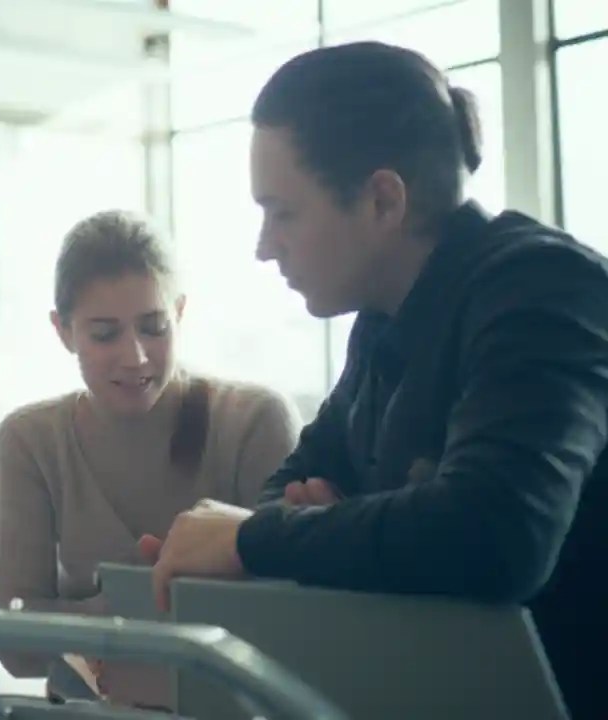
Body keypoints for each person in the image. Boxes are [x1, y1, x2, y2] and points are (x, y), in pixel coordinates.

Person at [143, 41, 607, 719]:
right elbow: (290, 485)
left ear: (383, 199)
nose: (264, 245)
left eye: (283, 212)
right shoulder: (381, 321)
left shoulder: (543, 289)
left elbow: (496, 532)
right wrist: (342, 529)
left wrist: (253, 540)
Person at [0, 210, 300, 709]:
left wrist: (91, 615)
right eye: (105, 333)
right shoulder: (30, 440)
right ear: (63, 331)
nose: (135, 356)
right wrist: (158, 610)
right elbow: (15, 646)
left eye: (153, 327)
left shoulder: (252, 420)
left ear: (179, 313)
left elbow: (291, 621)